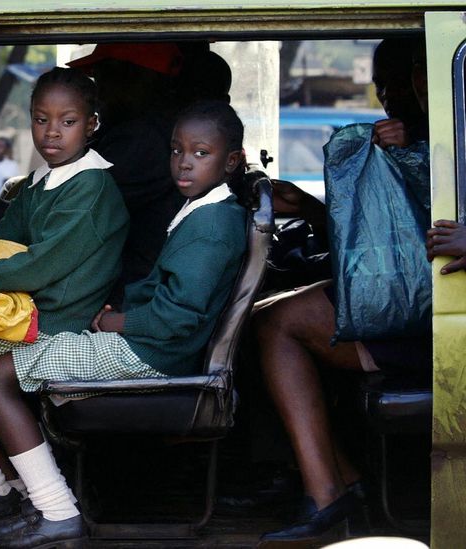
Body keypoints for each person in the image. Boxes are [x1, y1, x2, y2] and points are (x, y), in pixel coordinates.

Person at [0, 100, 250, 548]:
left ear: (231, 161)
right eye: (176, 151)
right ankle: (26, 499)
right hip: (150, 344)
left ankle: (56, 512)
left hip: (150, 354)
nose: (184, 163)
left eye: (200, 153)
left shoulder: (211, 226)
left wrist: (118, 321)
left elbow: (178, 316)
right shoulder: (204, 210)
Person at [0, 67, 129, 540]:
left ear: (92, 125)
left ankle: (2, 491)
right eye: (42, 120)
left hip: (58, 324)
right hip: (27, 315)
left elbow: (35, 268)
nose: (52, 132)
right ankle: (14, 489)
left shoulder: (91, 188)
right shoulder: (44, 182)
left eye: (68, 121)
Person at [253, 37, 430, 544]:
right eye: (384, 85)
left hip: (432, 320)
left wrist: (413, 158)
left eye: (408, 77)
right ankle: (335, 483)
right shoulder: (411, 135)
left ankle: (330, 495)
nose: (395, 95)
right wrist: (311, 209)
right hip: (412, 303)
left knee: (280, 324)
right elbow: (385, 240)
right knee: (268, 315)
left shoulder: (440, 137)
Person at [67, 42, 187, 294]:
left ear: (136, 80)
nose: (97, 95)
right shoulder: (130, 130)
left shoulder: (144, 141)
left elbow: (70, 215)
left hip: (125, 293)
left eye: (103, 79)